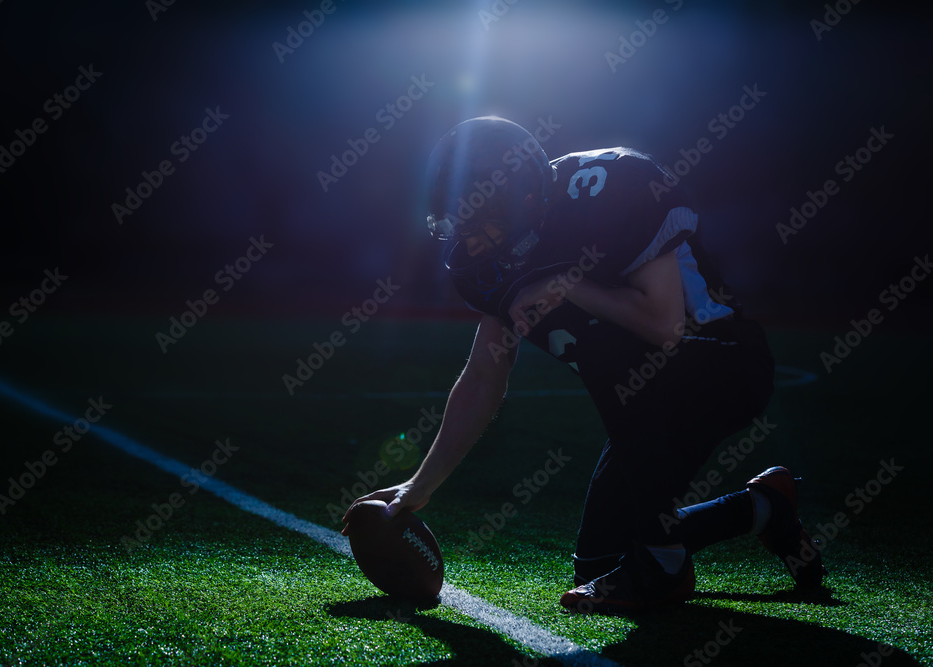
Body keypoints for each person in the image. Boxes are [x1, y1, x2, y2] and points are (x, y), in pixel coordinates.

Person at [341, 116, 825, 613]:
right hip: (646, 401)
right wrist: (417, 487)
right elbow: (484, 376)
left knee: (602, 350)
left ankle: (662, 560)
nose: (468, 242)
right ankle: (766, 508)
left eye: (476, 223)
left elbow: (663, 326)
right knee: (600, 564)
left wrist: (567, 284)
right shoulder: (498, 259)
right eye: (456, 223)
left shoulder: (609, 191)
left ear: (521, 201)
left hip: (723, 366)